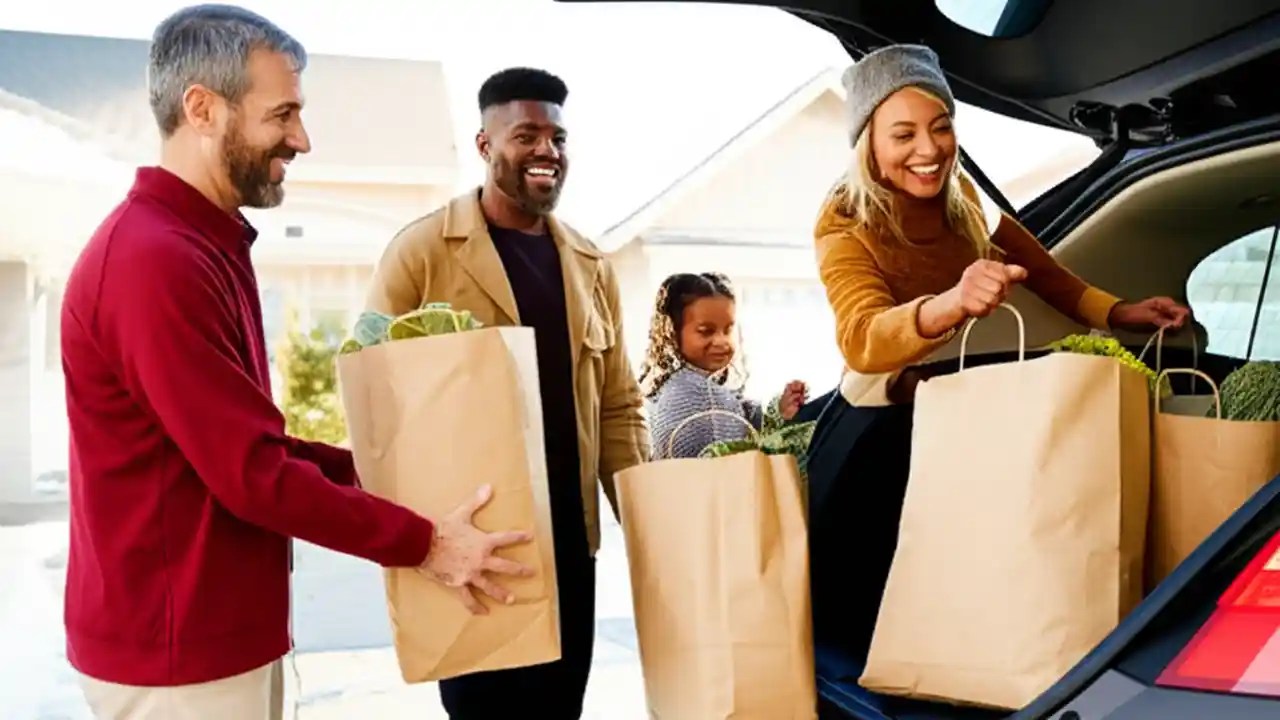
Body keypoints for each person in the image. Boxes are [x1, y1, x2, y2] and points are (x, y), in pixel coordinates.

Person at [59, 6, 532, 719]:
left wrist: (391, 472)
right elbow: (254, 477)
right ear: (202, 109)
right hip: (177, 657)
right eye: (283, 114)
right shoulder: (154, 260)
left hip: (211, 640)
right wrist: (426, 543)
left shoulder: (199, 243)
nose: (302, 139)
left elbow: (256, 442)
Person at [363, 66, 649, 718]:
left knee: (559, 711)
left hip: (571, 546)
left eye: (559, 137)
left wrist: (645, 522)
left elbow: (617, 405)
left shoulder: (590, 263)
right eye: (527, 135)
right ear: (486, 145)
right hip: (480, 545)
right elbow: (377, 401)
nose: (547, 150)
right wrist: (416, 537)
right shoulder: (421, 254)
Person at [813, 44, 1192, 406]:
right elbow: (862, 337)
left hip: (965, 392)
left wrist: (1120, 313)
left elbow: (1044, 273)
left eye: (941, 127)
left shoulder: (961, 197)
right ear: (870, 148)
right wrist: (956, 301)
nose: (930, 149)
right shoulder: (843, 223)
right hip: (886, 409)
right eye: (904, 135)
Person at [638, 272, 809, 459]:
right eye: (706, 332)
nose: (721, 341)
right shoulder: (693, 394)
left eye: (728, 330)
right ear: (672, 332)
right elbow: (731, 463)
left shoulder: (699, 388)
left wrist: (780, 410)